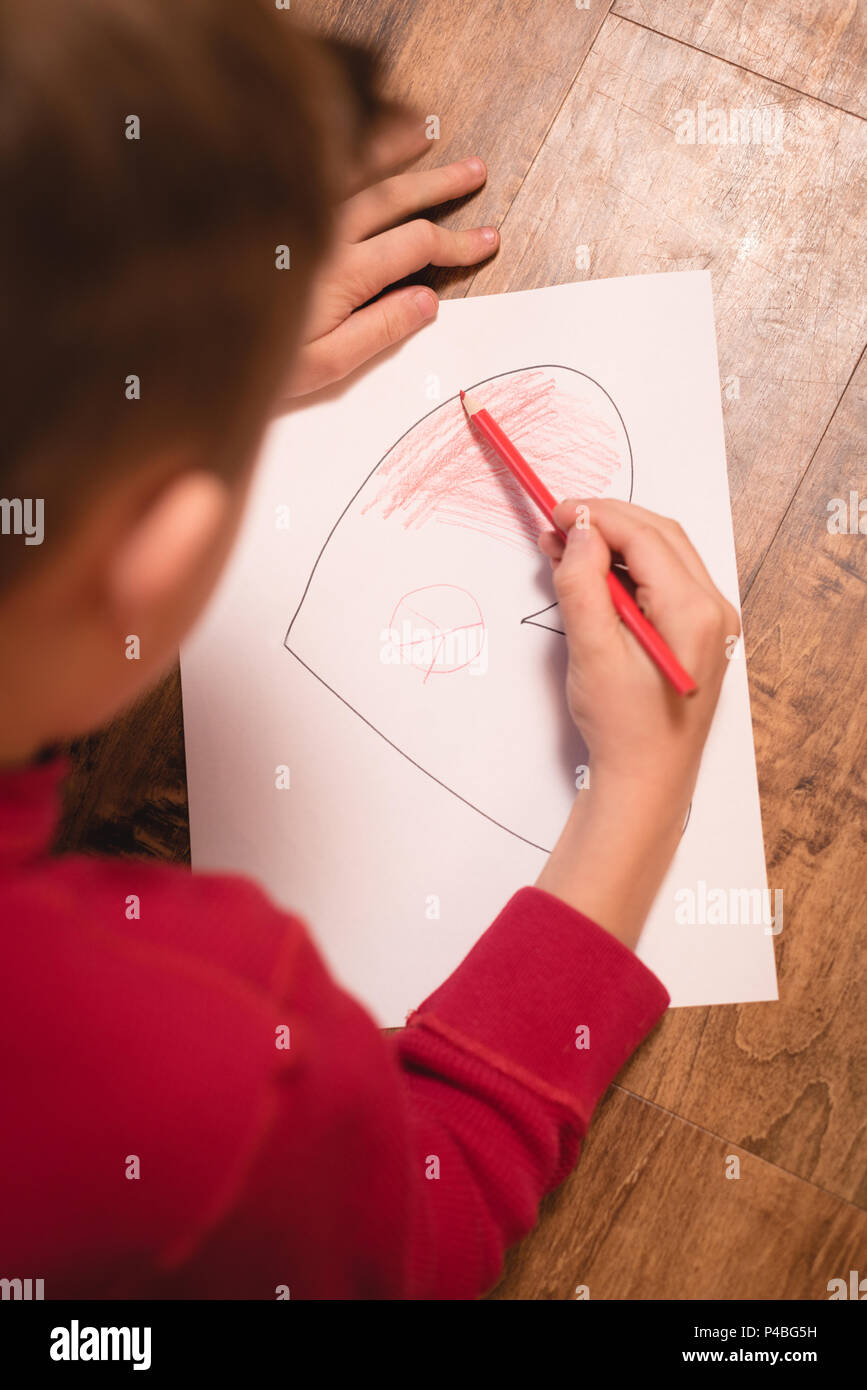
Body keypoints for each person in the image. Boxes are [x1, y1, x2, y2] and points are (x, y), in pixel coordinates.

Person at [0, 0, 740, 1299]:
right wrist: (634, 804)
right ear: (164, 552)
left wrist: (147, 375)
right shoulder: (181, 1056)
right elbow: (422, 1222)